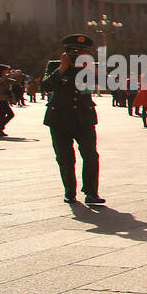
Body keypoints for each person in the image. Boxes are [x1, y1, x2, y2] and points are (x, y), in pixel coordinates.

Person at [42, 34, 105, 205]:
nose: (77, 55)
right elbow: (46, 86)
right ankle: (69, 191)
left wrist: (90, 68)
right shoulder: (55, 66)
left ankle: (91, 192)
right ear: (65, 52)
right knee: (65, 158)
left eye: (82, 52)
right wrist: (62, 68)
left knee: (91, 156)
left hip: (84, 118)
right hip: (59, 119)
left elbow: (104, 82)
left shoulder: (90, 67)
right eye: (73, 52)